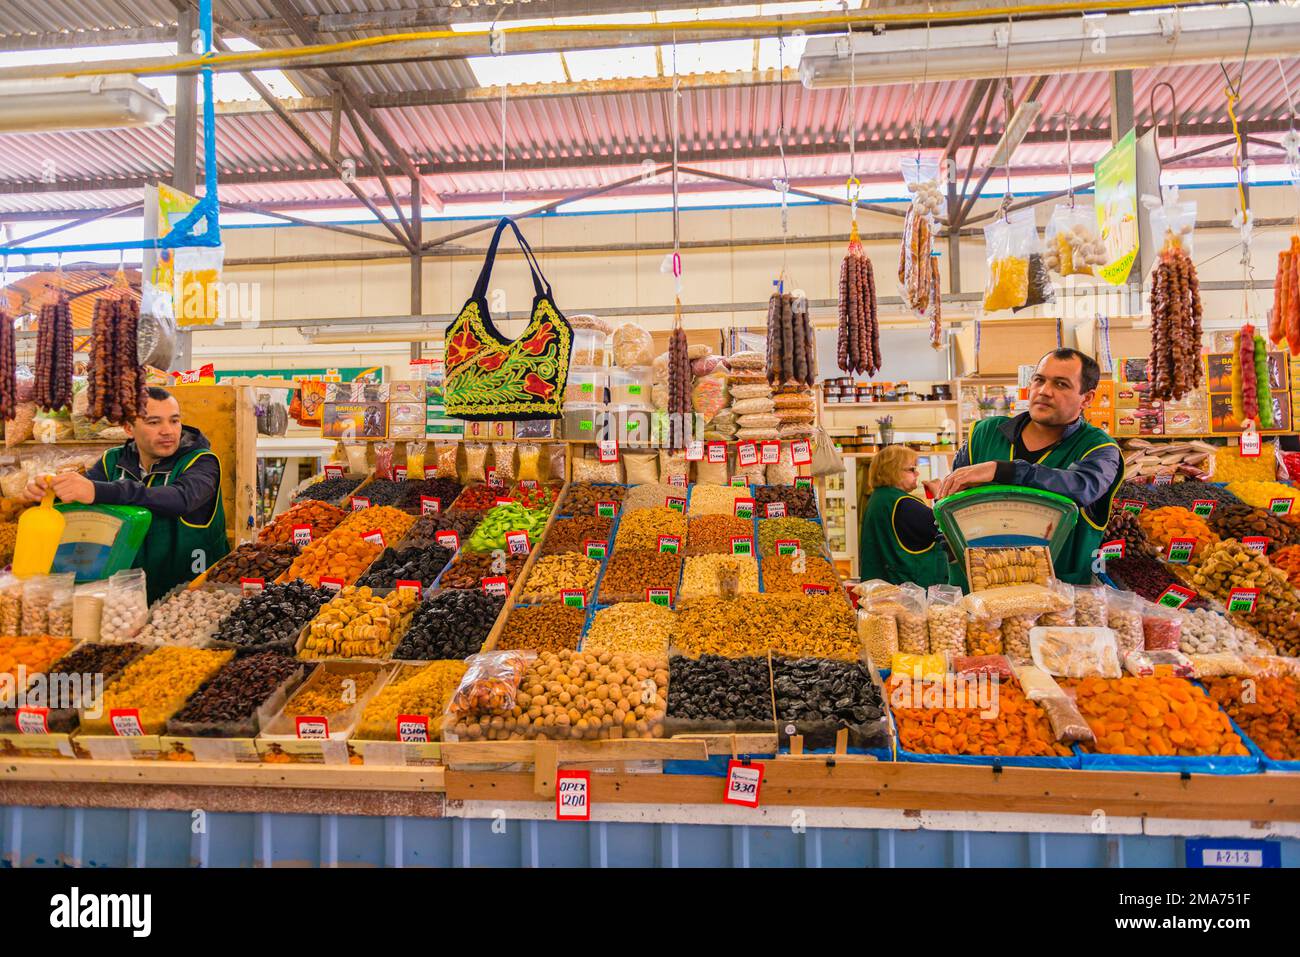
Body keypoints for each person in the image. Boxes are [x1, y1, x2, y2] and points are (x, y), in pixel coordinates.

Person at [934, 348, 1123, 585]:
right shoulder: (982, 434)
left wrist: (1003, 470)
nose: (1044, 391)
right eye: (1039, 380)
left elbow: (1082, 487)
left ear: (1086, 398)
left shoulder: (1099, 448)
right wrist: (949, 544)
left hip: (1058, 599)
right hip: (977, 589)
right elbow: (949, 500)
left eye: (1061, 384)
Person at [27, 387, 229, 601]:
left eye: (174, 421)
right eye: (154, 422)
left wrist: (97, 490)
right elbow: (80, 499)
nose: (168, 430)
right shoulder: (111, 461)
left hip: (193, 598)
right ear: (128, 428)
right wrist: (50, 490)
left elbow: (179, 499)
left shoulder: (202, 462)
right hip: (125, 600)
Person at [858, 444, 948, 587]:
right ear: (892, 471)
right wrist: (940, 496)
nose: (917, 474)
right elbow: (948, 529)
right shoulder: (905, 504)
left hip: (881, 590)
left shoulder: (878, 498)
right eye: (912, 469)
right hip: (909, 596)